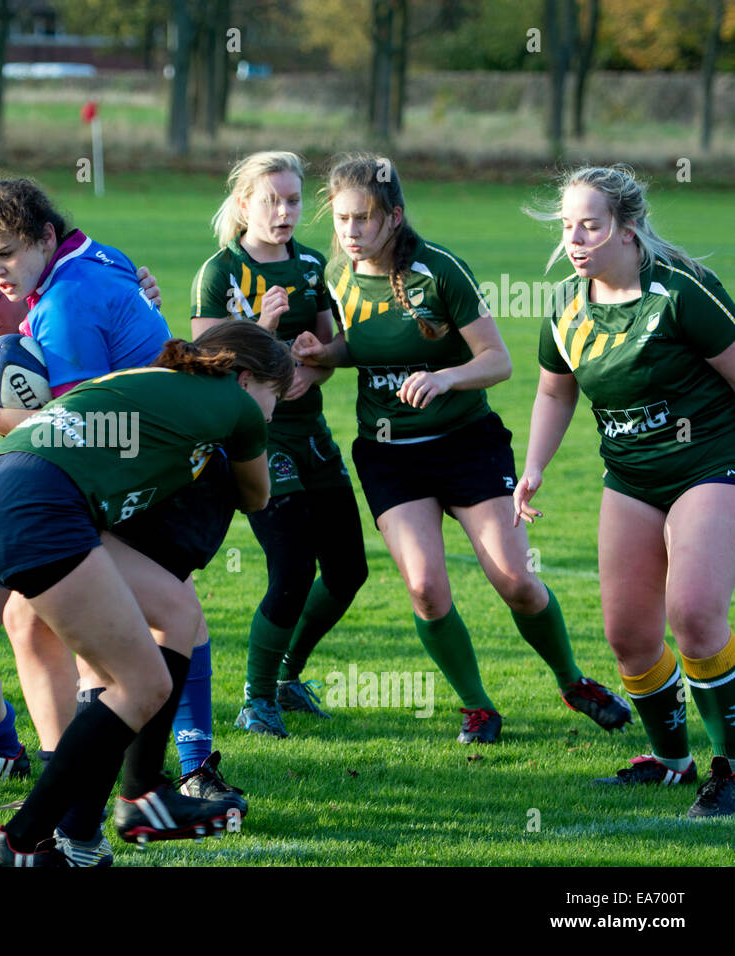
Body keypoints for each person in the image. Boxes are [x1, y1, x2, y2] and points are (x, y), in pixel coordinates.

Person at [294, 153, 629, 745]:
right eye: (342, 219)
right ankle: (478, 707)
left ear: (393, 218)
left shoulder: (440, 269)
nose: (350, 232)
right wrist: (327, 355)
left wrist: (446, 378)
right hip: (389, 452)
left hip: (466, 444)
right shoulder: (336, 275)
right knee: (425, 587)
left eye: (364, 219)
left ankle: (574, 681)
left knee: (518, 582)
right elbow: (364, 344)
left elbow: (497, 360)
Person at [0, 178, 236, 801]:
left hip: (159, 473)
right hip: (167, 463)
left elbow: (75, 430)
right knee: (46, 615)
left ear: (46, 236)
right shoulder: (95, 257)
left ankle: (157, 774)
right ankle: (94, 774)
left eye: (6, 253)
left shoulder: (65, 302)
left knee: (156, 612)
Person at [0, 321, 291, 865]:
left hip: (9, 491)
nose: (272, 413)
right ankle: (23, 840)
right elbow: (257, 495)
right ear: (245, 377)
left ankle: (127, 802)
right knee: (143, 685)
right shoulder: (233, 405)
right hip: (39, 505)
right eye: (274, 397)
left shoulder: (153, 380)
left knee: (175, 609)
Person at [515, 165, 735, 817]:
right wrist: (534, 467)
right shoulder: (564, 306)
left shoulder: (681, 293)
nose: (576, 239)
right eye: (567, 227)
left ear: (628, 228)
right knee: (629, 636)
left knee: (693, 614)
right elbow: (556, 389)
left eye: (591, 225)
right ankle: (671, 763)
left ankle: (729, 768)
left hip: (709, 463)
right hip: (631, 477)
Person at [191, 150, 368, 739]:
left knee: (347, 569)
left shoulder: (313, 265)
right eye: (272, 199)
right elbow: (203, 365)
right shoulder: (221, 273)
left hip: (312, 432)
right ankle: (256, 698)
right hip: (256, 437)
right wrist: (263, 331)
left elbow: (329, 348)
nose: (286, 211)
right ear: (244, 205)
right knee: (291, 564)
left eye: (294, 200)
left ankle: (289, 678)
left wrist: (311, 369)